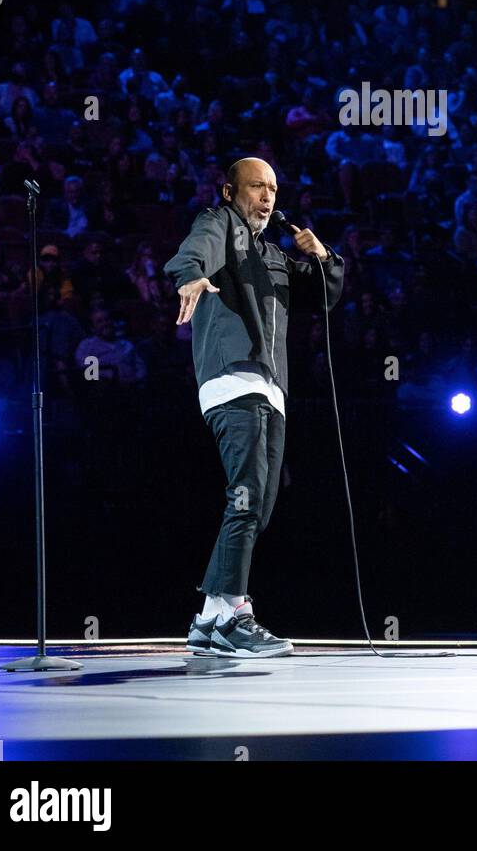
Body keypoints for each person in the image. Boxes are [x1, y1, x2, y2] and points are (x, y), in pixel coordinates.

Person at [164, 156, 344, 659]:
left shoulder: (274, 255)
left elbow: (321, 297)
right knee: (245, 497)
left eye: (272, 188)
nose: (267, 197)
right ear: (229, 191)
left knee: (258, 505)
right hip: (232, 379)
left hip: (270, 388)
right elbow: (192, 252)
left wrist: (323, 257)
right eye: (256, 187)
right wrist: (190, 277)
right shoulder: (218, 222)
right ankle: (234, 613)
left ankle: (211, 619)